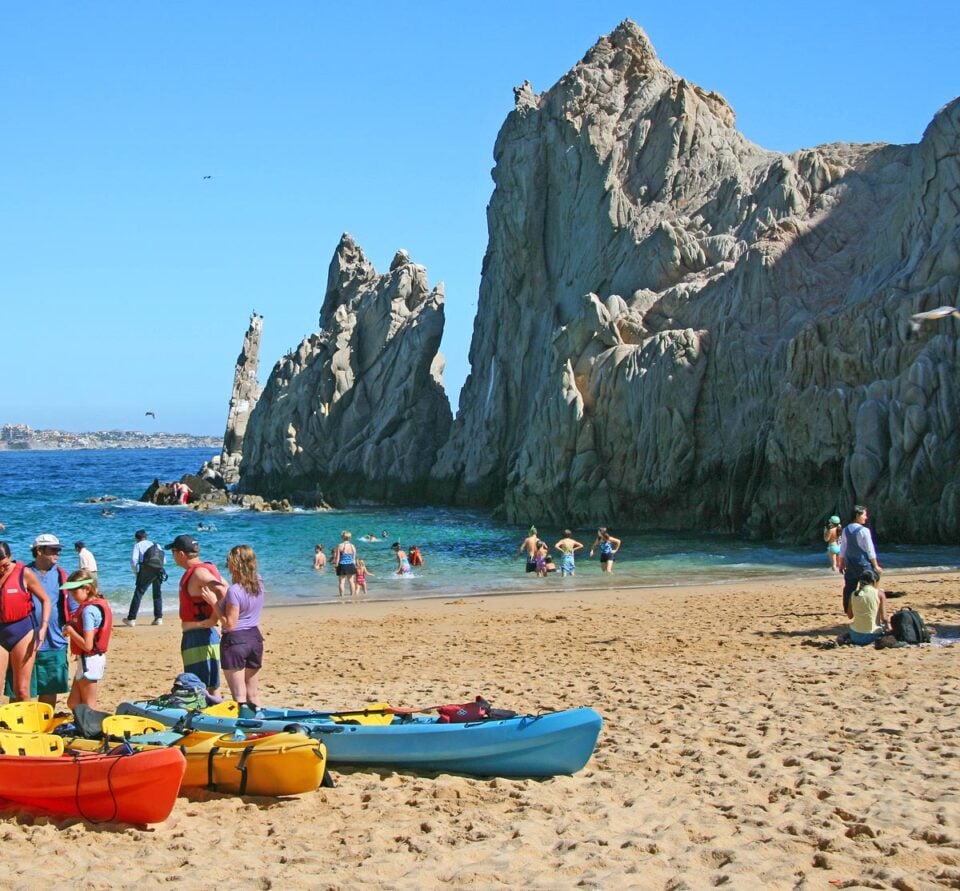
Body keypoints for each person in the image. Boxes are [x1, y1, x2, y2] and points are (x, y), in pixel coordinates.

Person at [5, 534, 73, 707]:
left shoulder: (61, 575)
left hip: (54, 640)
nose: (58, 553)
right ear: (39, 551)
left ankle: (43, 725)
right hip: (25, 640)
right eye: (53, 550)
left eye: (59, 550)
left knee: (50, 688)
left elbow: (72, 604)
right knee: (19, 690)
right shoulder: (22, 573)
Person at [167, 533, 227, 696]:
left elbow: (222, 589)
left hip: (199, 637)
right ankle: (215, 719)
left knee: (198, 687)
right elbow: (225, 586)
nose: (173, 557)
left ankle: (207, 719)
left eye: (173, 553)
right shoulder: (206, 568)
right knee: (212, 686)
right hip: (207, 636)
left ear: (180, 554)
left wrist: (213, 618)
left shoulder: (198, 573)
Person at [0, 541, 51, 702]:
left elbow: (45, 600)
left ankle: (25, 726)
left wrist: (43, 627)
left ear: (10, 557)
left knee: (21, 689)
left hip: (22, 631)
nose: (2, 569)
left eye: (5, 565)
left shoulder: (24, 573)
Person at [220, 545, 265, 711]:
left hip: (235, 641)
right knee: (253, 693)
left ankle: (244, 728)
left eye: (229, 562)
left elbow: (230, 624)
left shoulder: (234, 591)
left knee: (239, 695)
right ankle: (260, 723)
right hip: (255, 638)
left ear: (236, 564)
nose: (227, 566)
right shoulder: (259, 582)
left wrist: (214, 604)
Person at [61, 571, 112, 709]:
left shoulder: (88, 611)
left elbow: (88, 645)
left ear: (87, 589)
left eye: (74, 591)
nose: (71, 595)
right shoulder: (91, 606)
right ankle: (82, 726)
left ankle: (89, 729)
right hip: (86, 660)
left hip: (90, 660)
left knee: (88, 704)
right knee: (73, 702)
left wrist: (71, 631)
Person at [839, 505, 883, 614]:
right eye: (864, 515)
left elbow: (843, 548)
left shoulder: (845, 530)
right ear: (858, 515)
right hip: (863, 564)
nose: (866, 517)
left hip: (850, 563)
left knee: (849, 587)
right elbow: (870, 550)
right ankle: (865, 607)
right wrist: (876, 565)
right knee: (867, 587)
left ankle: (848, 608)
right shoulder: (864, 531)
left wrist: (841, 563)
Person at [126, 529, 166, 627]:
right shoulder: (156, 545)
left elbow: (133, 560)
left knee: (138, 593)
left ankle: (131, 619)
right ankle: (158, 618)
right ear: (146, 537)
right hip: (159, 570)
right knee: (157, 594)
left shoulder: (138, 545)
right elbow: (164, 560)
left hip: (146, 570)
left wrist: (136, 572)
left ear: (137, 538)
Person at [844, 569, 889, 646]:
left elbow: (850, 616)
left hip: (855, 635)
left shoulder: (853, 594)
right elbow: (884, 618)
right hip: (872, 636)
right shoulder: (880, 594)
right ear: (874, 581)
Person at [333, 531, 358, 601]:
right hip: (351, 565)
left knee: (341, 582)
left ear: (343, 537)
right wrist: (355, 565)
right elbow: (354, 558)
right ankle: (352, 596)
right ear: (349, 538)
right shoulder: (352, 546)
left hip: (342, 565)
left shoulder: (340, 545)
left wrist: (336, 565)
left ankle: (342, 597)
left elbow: (337, 558)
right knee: (351, 581)